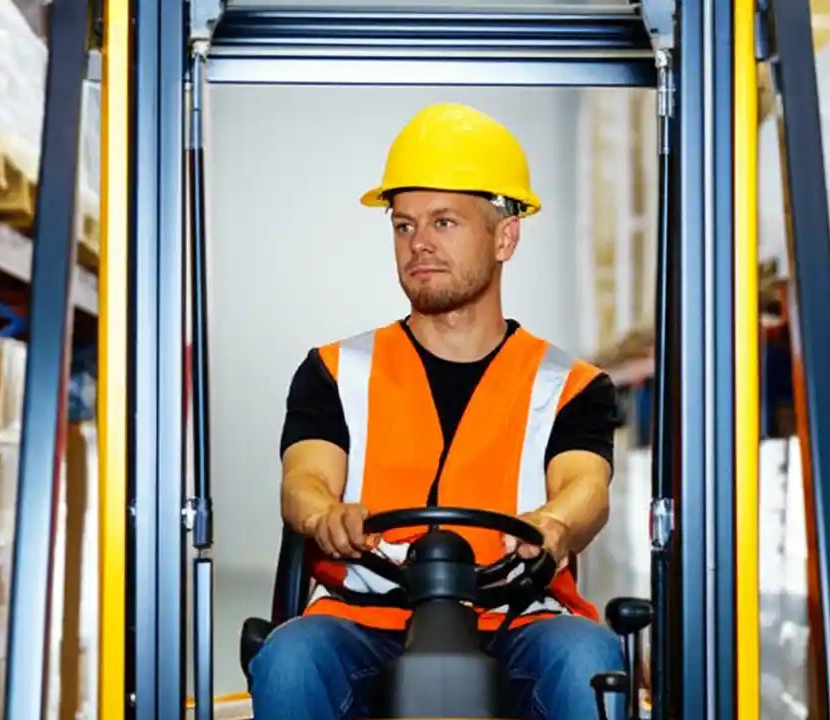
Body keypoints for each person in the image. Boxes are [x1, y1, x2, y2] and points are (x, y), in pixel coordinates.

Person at [249, 102, 627, 720]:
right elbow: (305, 480)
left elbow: (586, 485)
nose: (418, 243)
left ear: (505, 235)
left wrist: (556, 522)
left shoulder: (571, 385)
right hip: (366, 616)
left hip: (517, 617)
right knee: (290, 659)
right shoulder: (335, 370)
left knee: (589, 659)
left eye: (444, 221)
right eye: (403, 226)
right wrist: (324, 515)